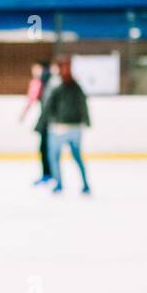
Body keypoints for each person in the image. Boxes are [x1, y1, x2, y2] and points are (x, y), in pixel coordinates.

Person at [45, 56, 91, 194]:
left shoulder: (71, 87)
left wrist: (86, 120)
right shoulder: (61, 87)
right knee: (56, 157)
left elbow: (83, 104)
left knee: (71, 157)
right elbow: (50, 107)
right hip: (61, 127)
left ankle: (83, 184)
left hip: (69, 127)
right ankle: (60, 183)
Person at [19, 62, 52, 183]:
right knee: (47, 147)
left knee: (45, 147)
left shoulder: (41, 82)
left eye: (36, 68)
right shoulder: (48, 81)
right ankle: (49, 174)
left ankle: (48, 174)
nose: (34, 71)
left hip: (48, 121)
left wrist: (23, 114)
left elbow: (31, 98)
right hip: (49, 120)